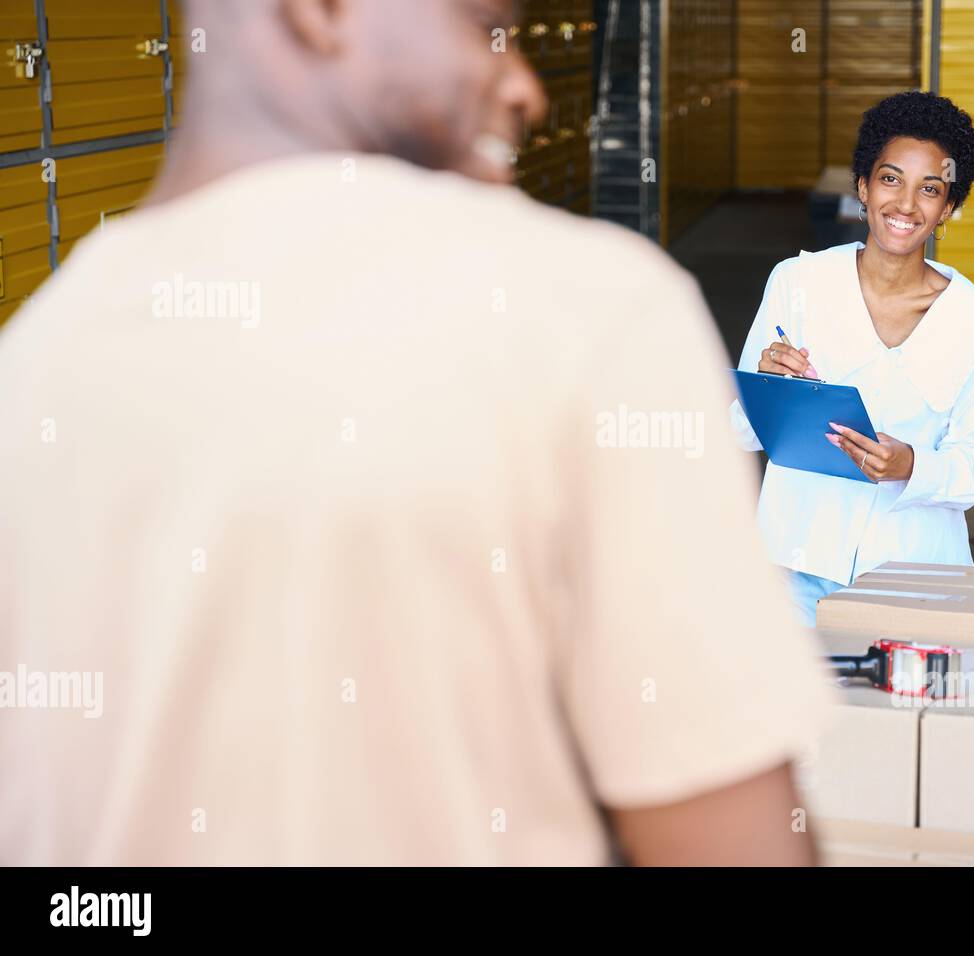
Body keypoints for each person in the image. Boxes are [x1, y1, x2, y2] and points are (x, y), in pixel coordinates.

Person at [0, 0, 832, 866]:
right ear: (319, 12)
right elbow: (732, 845)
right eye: (485, 30)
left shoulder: (32, 366)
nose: (525, 91)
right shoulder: (585, 307)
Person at [731, 91, 974, 626]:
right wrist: (765, 386)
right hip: (793, 570)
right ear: (862, 186)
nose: (905, 204)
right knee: (793, 711)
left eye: (930, 189)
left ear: (949, 207)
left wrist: (913, 466)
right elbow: (740, 431)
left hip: (914, 576)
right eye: (890, 179)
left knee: (904, 711)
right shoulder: (799, 283)